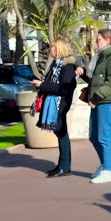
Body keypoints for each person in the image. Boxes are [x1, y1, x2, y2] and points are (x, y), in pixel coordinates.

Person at [80, 28, 111, 184]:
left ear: (109, 40)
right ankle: (105, 165)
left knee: (103, 136)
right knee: (94, 136)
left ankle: (108, 170)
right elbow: (97, 81)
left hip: (108, 101)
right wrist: (82, 74)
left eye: (99, 39)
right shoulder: (102, 57)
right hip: (100, 100)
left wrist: (96, 98)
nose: (97, 42)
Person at [32, 37, 78, 178]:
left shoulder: (67, 67)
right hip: (54, 102)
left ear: (59, 49)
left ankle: (64, 166)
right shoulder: (56, 65)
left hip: (60, 104)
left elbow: (64, 89)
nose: (50, 49)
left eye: (53, 47)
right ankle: (62, 165)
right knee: (60, 133)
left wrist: (42, 85)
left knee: (61, 134)